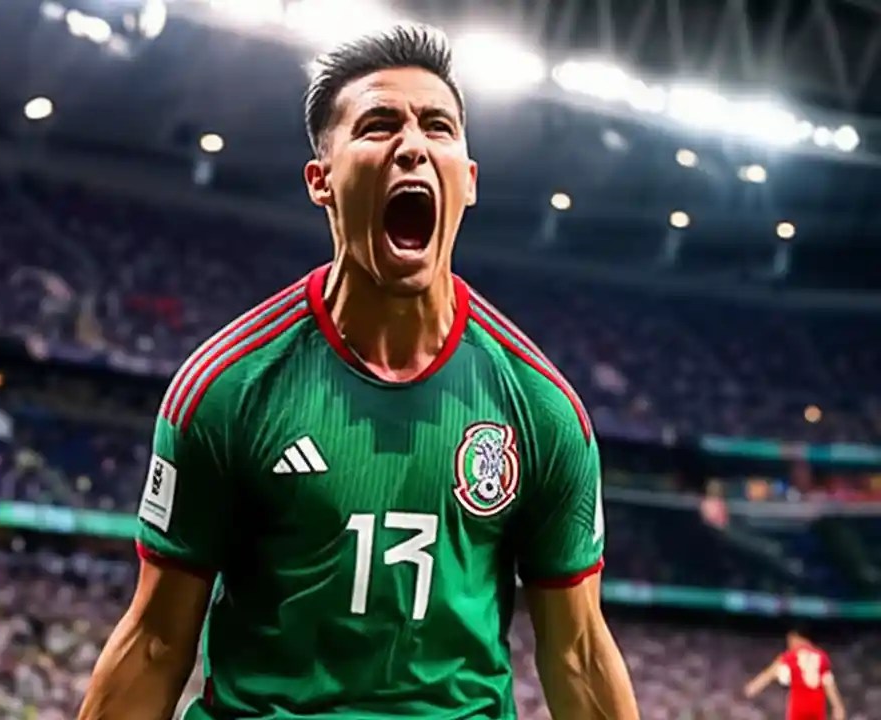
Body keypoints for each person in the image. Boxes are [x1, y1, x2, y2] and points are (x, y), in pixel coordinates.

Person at [79, 23, 638, 720]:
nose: (412, 145)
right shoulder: (228, 387)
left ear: (467, 181)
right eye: (378, 126)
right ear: (322, 180)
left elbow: (578, 653)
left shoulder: (540, 408)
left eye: (439, 126)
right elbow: (157, 644)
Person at [744, 628, 846, 720]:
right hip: (816, 711)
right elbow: (828, 683)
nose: (789, 644)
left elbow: (769, 673)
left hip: (798, 712)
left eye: (790, 640)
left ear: (797, 639)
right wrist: (837, 706)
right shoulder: (822, 658)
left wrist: (754, 686)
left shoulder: (790, 657)